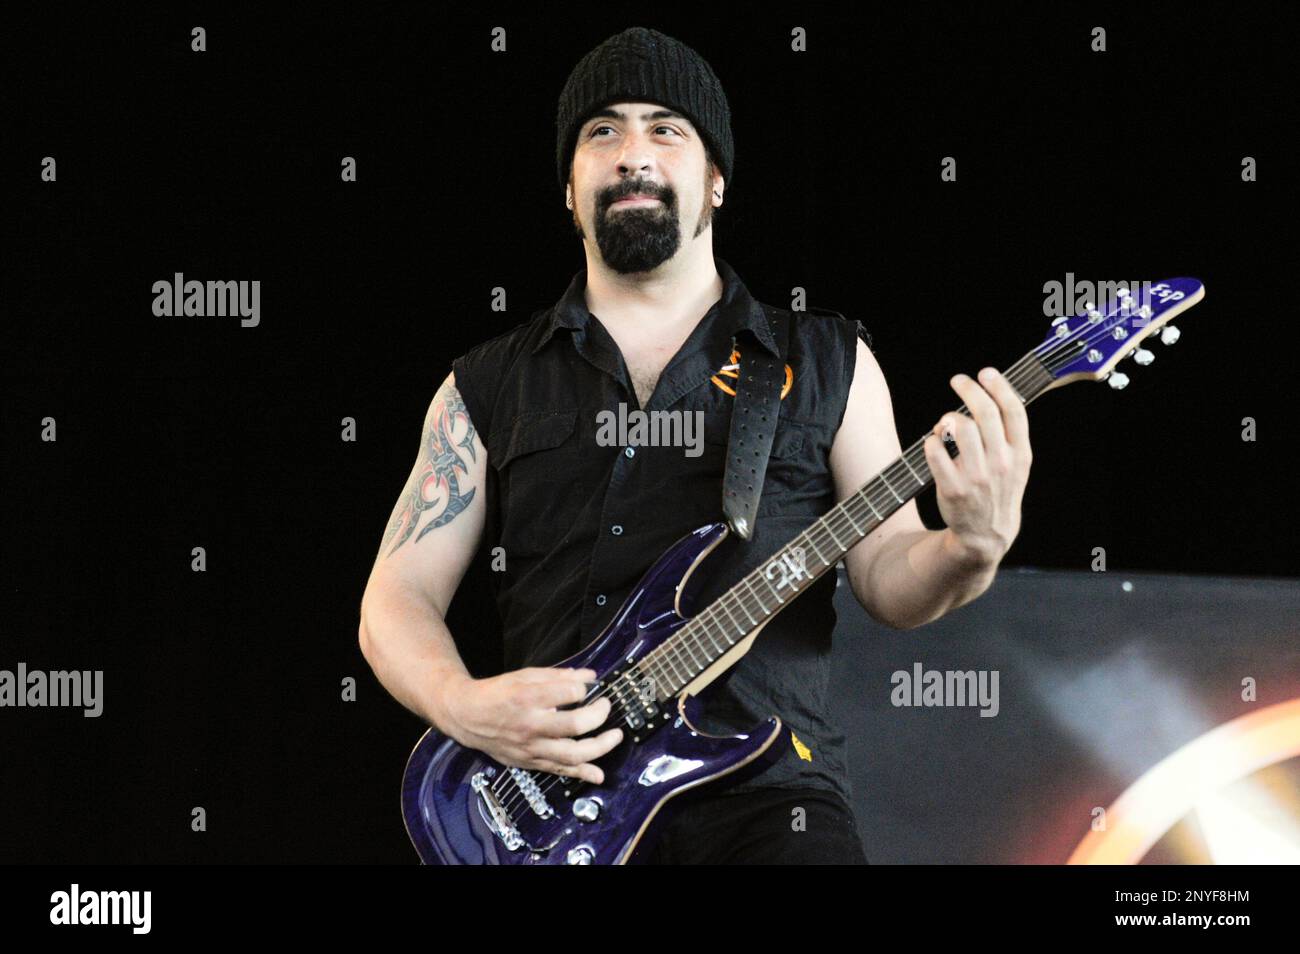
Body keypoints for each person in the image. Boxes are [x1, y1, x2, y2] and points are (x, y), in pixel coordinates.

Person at [358, 26, 1032, 864]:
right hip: (551, 808)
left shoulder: (826, 360)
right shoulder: (487, 383)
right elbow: (396, 595)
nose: (632, 153)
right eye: (602, 131)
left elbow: (890, 579)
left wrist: (972, 546)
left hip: (770, 801)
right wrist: (460, 703)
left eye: (665, 129)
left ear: (715, 181)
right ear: (569, 189)